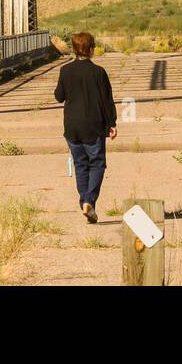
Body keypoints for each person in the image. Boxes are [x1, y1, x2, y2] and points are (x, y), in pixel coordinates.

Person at [54, 31, 117, 223]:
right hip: (93, 125)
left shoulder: (65, 71)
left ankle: (85, 204)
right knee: (97, 163)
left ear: (74, 49)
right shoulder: (98, 72)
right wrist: (111, 124)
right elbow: (107, 101)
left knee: (81, 165)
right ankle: (89, 200)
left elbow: (59, 96)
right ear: (91, 49)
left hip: (72, 127)